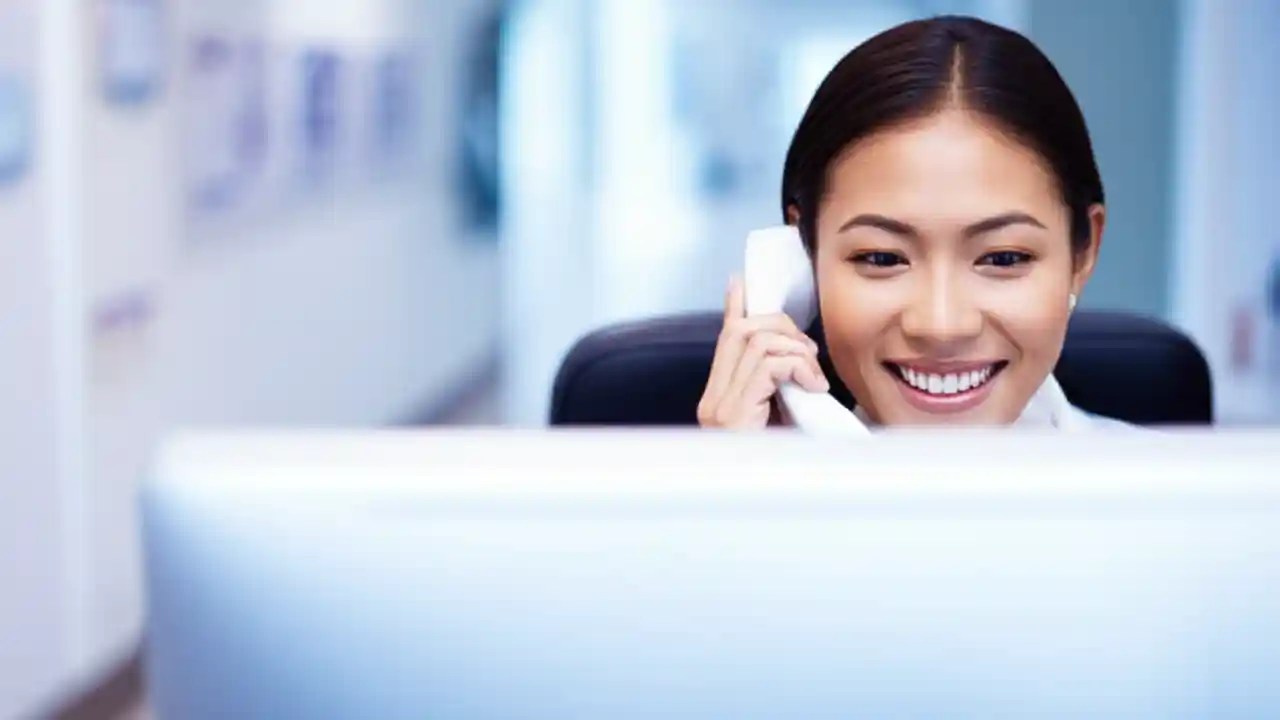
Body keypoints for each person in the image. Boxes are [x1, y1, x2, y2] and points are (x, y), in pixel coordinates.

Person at [698, 15, 1127, 431]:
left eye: (1003, 258)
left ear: (1083, 252)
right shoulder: (741, 478)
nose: (941, 326)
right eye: (882, 258)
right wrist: (738, 474)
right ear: (805, 253)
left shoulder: (1164, 477)